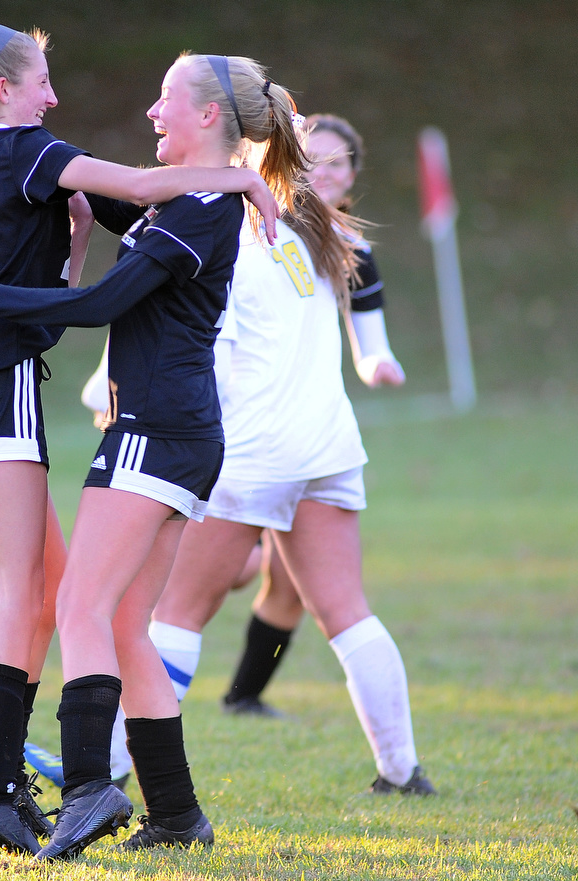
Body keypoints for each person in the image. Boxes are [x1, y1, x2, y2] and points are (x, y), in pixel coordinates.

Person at [0, 20, 277, 858]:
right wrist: (238, 181)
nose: (61, 97)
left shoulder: (175, 195)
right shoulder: (91, 169)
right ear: (3, 89)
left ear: (207, 113)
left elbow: (96, 296)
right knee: (76, 604)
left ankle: (74, 787)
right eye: (43, 80)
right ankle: (124, 803)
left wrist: (240, 181)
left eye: (165, 96)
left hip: (140, 423)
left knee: (74, 602)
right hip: (57, 403)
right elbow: (129, 194)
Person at [146, 112, 435, 796]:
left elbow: (203, 343)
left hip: (259, 446)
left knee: (177, 611)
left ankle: (107, 769)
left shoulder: (240, 228)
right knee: (346, 609)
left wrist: (118, 391)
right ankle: (402, 771)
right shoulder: (329, 235)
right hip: (330, 444)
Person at [218, 112, 406, 718]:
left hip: (290, 441)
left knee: (289, 589)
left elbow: (369, 343)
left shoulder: (348, 249)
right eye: (313, 158)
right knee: (284, 587)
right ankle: (400, 769)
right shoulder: (249, 230)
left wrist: (377, 364)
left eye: (337, 162)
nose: (323, 171)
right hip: (288, 443)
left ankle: (241, 695)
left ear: (352, 176)